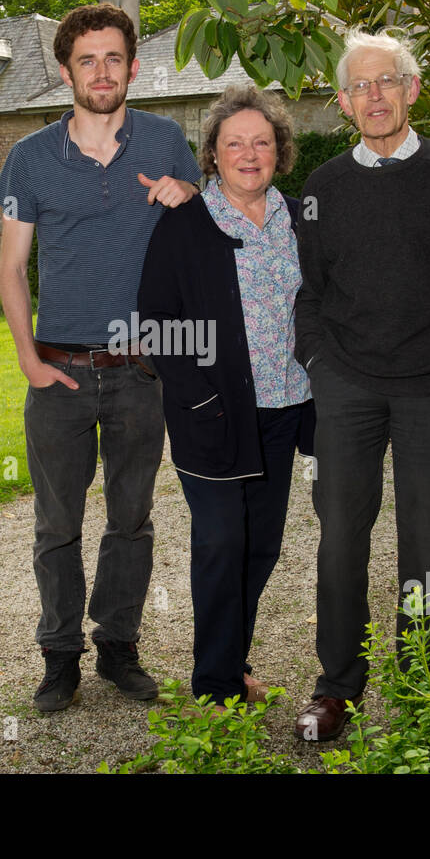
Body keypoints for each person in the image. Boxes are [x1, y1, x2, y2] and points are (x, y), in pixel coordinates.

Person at [292, 27, 430, 742]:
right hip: (347, 386)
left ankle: (428, 688)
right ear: (344, 102)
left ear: (412, 90)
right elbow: (310, 293)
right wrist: (318, 364)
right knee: (340, 541)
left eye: (387, 82)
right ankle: (336, 691)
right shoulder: (322, 188)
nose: (374, 96)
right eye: (359, 86)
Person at [0, 3, 202, 713]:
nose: (102, 71)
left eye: (114, 58)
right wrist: (27, 359)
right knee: (56, 525)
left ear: (133, 67)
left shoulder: (167, 141)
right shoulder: (30, 157)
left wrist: (191, 193)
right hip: (57, 372)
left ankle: (118, 646)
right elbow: (12, 266)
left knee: (132, 519)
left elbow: (205, 234)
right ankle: (59, 656)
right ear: (65, 72)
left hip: (140, 372)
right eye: (87, 60)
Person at [137, 85, 314, 708]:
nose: (248, 153)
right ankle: (214, 688)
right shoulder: (188, 223)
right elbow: (156, 321)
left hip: (285, 410)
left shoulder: (298, 219)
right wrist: (200, 398)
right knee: (221, 543)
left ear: (279, 151)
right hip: (214, 418)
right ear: (212, 153)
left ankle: (231, 664)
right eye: (233, 142)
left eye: (261, 141)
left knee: (262, 546)